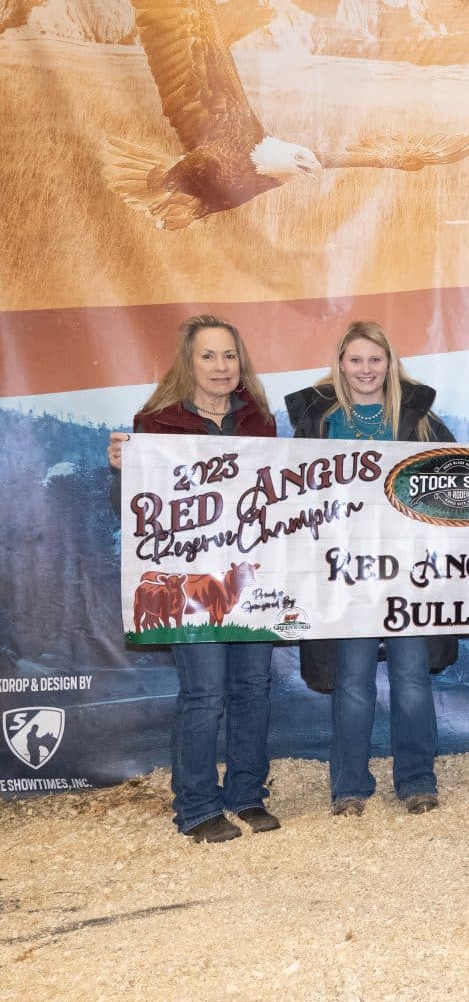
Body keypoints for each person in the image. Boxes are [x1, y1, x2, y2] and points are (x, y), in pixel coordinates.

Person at [107, 315, 281, 842]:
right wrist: (125, 468)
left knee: (253, 687)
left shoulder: (260, 422)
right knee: (205, 693)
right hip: (187, 586)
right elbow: (138, 513)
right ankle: (198, 807)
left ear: (240, 363)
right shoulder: (155, 425)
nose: (221, 366)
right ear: (188, 363)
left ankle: (248, 794)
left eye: (229, 356)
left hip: (249, 579)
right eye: (208, 356)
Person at [286, 321, 459, 817]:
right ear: (340, 363)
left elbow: (452, 482)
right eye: (356, 360)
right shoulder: (318, 422)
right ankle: (349, 787)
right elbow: (291, 492)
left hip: (406, 571)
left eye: (375, 360)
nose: (366, 369)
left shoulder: (419, 418)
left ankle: (417, 780)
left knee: (411, 677)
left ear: (390, 363)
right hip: (342, 572)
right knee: (353, 680)